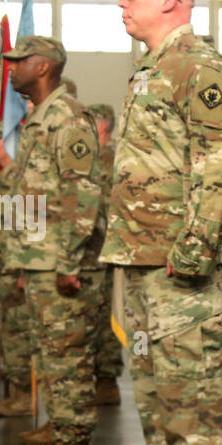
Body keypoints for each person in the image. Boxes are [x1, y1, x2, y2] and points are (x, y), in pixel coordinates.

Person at [99, 0, 222, 445]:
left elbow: (219, 158)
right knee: (156, 382)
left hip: (180, 256)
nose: (123, 5)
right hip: (143, 252)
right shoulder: (149, 69)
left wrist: (197, 244)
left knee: (191, 380)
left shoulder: (196, 65)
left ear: (172, 0)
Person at [0, 36, 104, 445]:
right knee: (53, 355)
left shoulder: (69, 119)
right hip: (39, 260)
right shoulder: (38, 121)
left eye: (19, 62)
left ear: (43, 67)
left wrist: (68, 262)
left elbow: (82, 193)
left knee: (69, 356)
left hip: (62, 263)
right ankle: (64, 442)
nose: (11, 69)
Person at [0, 120, 37, 422]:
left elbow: (31, 224)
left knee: (20, 333)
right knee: (10, 333)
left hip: (17, 268)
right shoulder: (3, 178)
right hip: (3, 267)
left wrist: (23, 267)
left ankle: (25, 396)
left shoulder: (21, 176)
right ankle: (16, 393)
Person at [87, 103, 124, 407]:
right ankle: (103, 378)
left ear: (100, 127)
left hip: (104, 251)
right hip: (97, 252)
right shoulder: (103, 158)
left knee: (105, 318)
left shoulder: (108, 160)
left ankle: (108, 379)